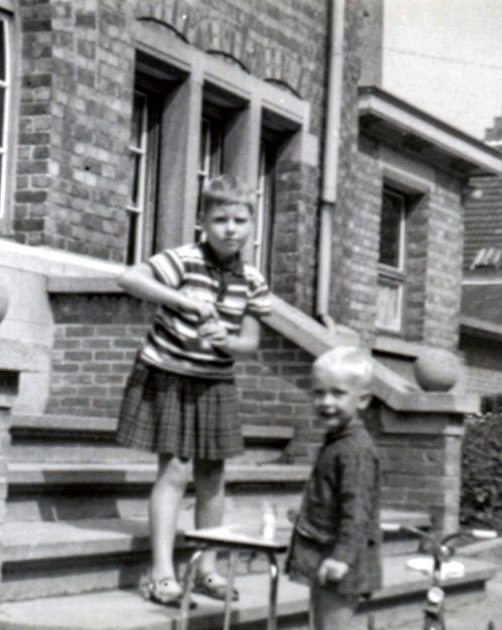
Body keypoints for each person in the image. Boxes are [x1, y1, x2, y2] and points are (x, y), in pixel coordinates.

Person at [115, 174, 272, 607]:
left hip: (215, 381)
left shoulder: (253, 279)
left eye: (240, 220)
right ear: (203, 220)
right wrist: (184, 301)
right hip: (169, 373)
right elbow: (129, 278)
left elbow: (250, 344)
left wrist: (227, 341)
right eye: (220, 218)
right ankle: (161, 573)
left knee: (213, 477)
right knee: (174, 471)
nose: (230, 228)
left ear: (250, 224)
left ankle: (206, 568)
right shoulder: (183, 260)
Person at [286, 346, 383, 630]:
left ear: (362, 399)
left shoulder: (354, 450)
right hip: (326, 553)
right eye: (319, 392)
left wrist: (341, 557)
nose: (326, 402)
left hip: (343, 558)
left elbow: (358, 511)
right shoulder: (338, 441)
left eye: (338, 393)